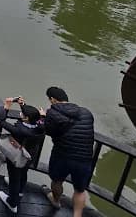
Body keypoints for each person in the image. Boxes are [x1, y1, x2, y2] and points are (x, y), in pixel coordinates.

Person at [42, 86, 94, 217]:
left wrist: (45, 117)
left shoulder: (52, 113)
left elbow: (48, 131)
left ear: (53, 99)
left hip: (62, 155)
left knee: (57, 180)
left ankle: (56, 200)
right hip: (84, 158)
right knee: (80, 190)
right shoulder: (86, 112)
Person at [0, 97, 46, 213]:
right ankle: (20, 191)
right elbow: (35, 118)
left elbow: (1, 121)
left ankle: (12, 203)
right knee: (23, 173)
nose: (20, 113)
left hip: (17, 157)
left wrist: (6, 107)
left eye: (22, 113)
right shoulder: (41, 127)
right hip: (30, 156)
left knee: (14, 178)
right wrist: (22, 104)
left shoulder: (19, 130)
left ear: (26, 118)